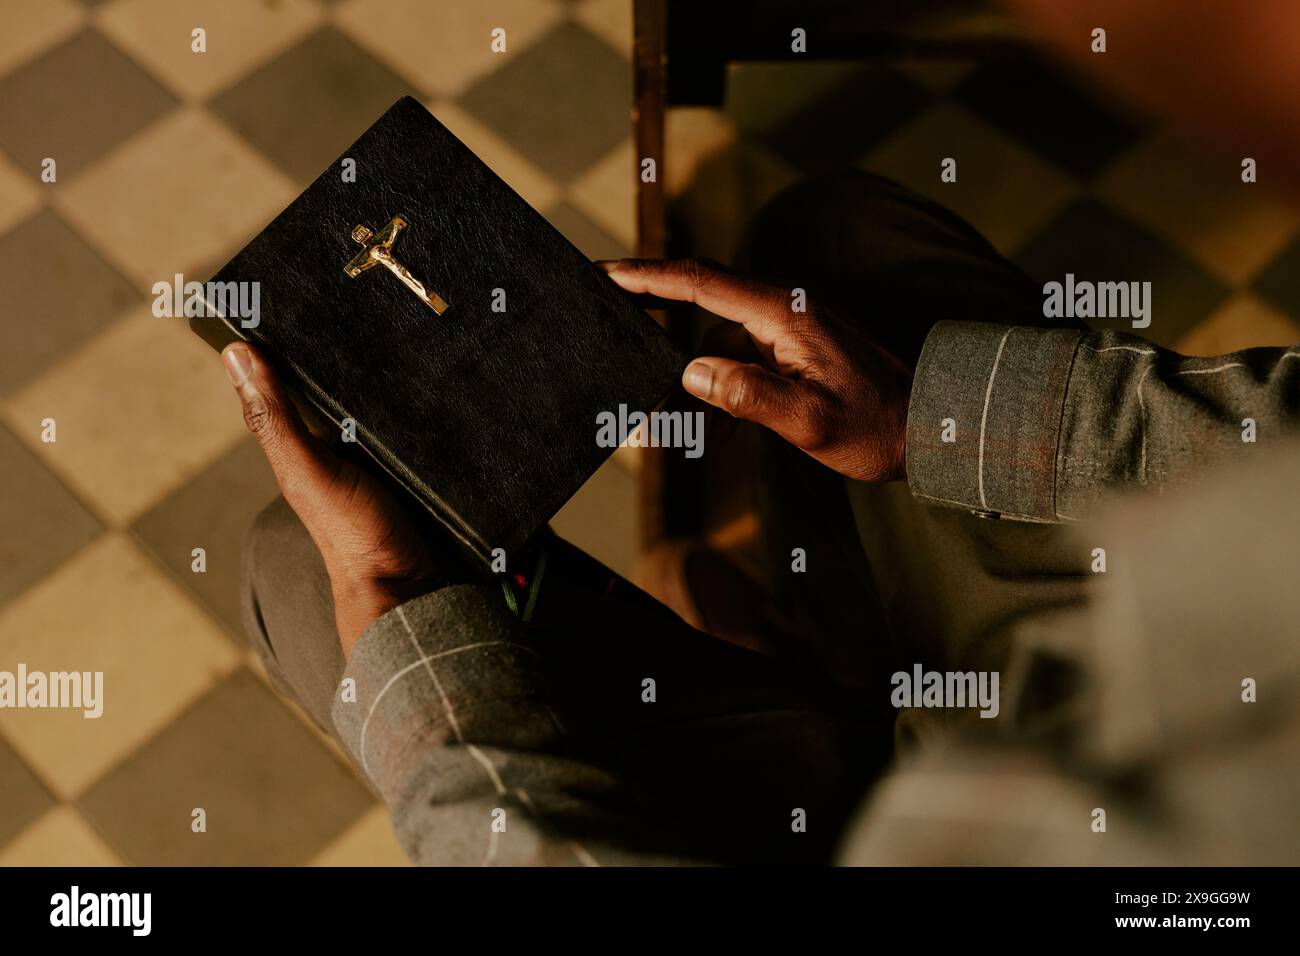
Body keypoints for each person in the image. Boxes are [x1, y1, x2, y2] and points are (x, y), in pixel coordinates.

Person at [224, 158, 1300, 863]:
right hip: (1157, 699)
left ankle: (821, 708)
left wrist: (400, 597)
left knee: (301, 566)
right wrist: (927, 411)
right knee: (836, 240)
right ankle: (835, 653)